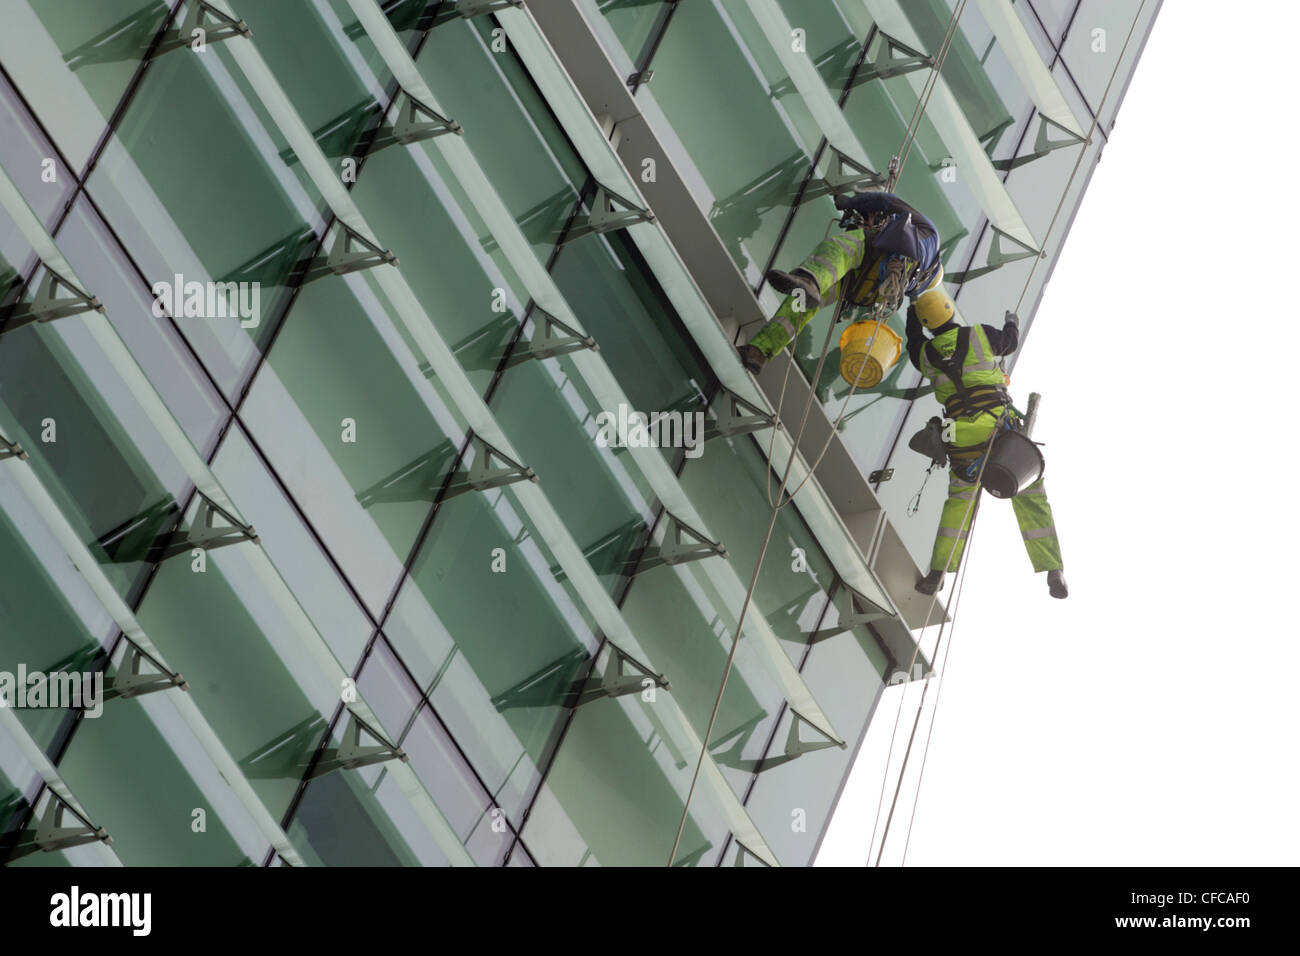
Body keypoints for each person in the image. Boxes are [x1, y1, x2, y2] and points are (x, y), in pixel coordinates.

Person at [907, 297, 1067, 599]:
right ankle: (1052, 568)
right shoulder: (978, 335)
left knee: (958, 504)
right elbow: (1009, 342)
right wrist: (1012, 322)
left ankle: (937, 574)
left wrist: (913, 311)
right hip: (997, 430)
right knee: (1031, 495)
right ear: (950, 312)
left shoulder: (925, 355)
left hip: (960, 442)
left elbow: (913, 339)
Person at [737, 190, 944, 373]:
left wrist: (852, 201)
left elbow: (887, 200)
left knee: (838, 248)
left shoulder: (932, 235)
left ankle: (809, 281)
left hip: (875, 256)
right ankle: (759, 353)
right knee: (803, 302)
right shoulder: (909, 286)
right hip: (864, 289)